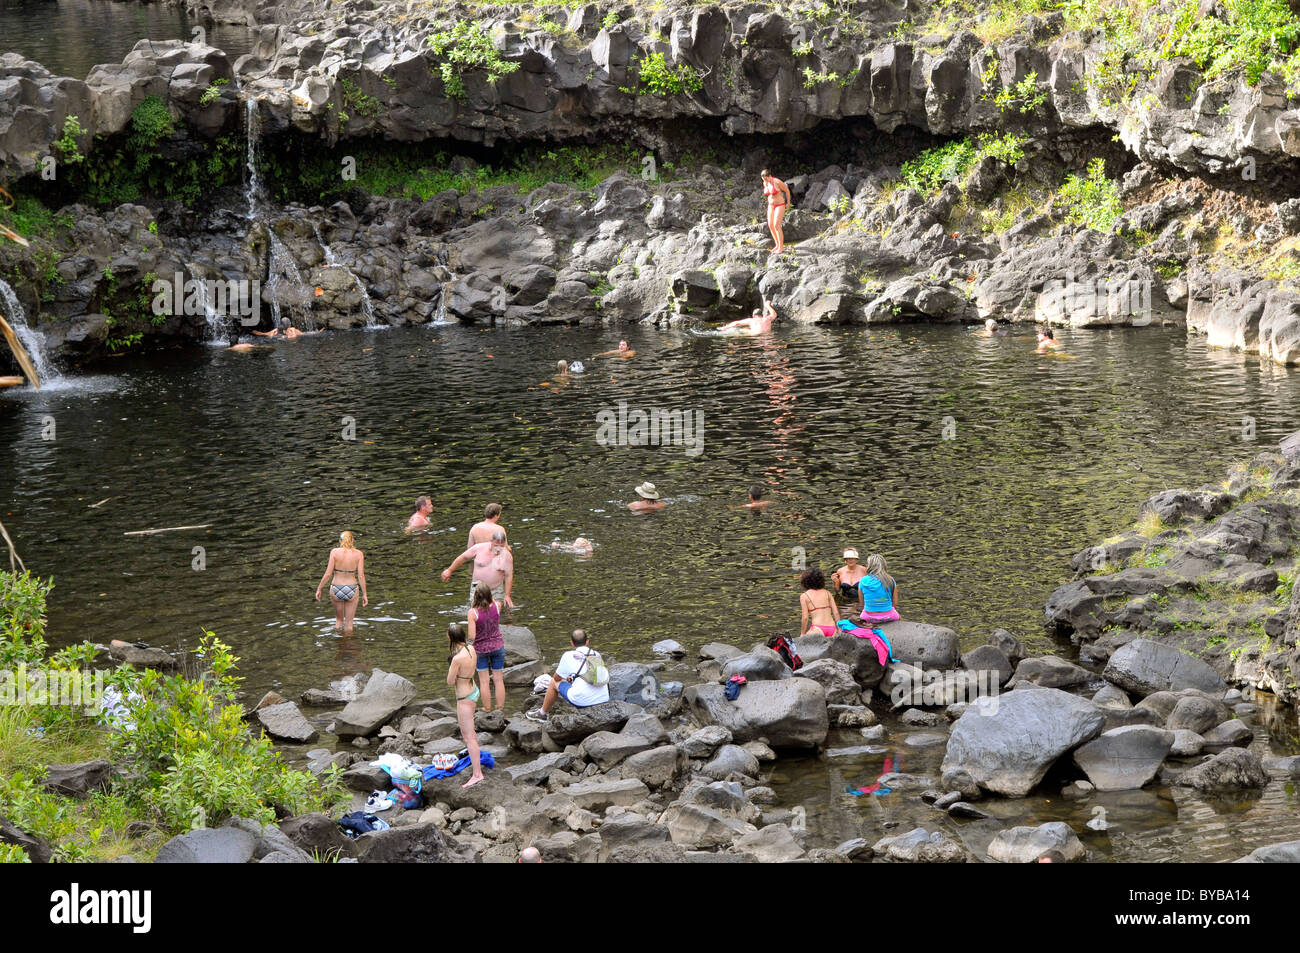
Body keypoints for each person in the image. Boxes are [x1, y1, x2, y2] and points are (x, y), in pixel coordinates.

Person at [525, 629, 609, 721]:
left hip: (582, 702)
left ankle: (542, 713)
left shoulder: (568, 655)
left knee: (553, 682)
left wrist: (566, 679)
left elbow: (557, 678)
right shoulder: (596, 654)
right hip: (604, 699)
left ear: (572, 643)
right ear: (587, 642)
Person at [445, 622, 485, 788]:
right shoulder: (471, 649)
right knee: (472, 735)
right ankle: (476, 768)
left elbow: (449, 682)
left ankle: (477, 774)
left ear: (451, 638)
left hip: (465, 698)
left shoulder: (457, 658)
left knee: (469, 737)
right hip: (473, 690)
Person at [442, 529, 515, 609]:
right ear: (491, 542)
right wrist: (450, 570)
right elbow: (463, 557)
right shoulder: (479, 548)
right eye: (496, 545)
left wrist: (507, 595)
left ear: (504, 544)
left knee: (496, 612)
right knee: (475, 611)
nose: (498, 549)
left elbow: (509, 576)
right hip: (477, 587)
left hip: (496, 589)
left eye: (501, 546)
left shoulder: (507, 556)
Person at [315, 530, 367, 631]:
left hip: (336, 588)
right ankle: (348, 645)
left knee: (339, 621)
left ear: (340, 540)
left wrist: (319, 589)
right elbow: (361, 576)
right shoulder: (359, 554)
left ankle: (339, 644)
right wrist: (364, 594)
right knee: (349, 624)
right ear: (353, 540)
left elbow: (328, 574)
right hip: (352, 588)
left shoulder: (334, 552)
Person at [467, 581, 506, 713]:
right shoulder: (497, 605)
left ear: (476, 596)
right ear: (490, 595)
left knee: (484, 682)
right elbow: (491, 600)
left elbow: (472, 636)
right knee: (498, 680)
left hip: (481, 650)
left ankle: (487, 708)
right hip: (498, 647)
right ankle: (500, 708)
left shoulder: (472, 613)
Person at [857, 553, 900, 626]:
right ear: (883, 565)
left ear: (869, 566)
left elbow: (862, 604)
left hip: (868, 617)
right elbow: (895, 603)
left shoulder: (863, 581)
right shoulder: (890, 580)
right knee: (900, 618)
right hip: (889, 616)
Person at [799, 567, 840, 637]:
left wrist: (802, 633)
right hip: (832, 628)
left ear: (805, 581)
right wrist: (839, 629)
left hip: (817, 629)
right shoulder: (827, 593)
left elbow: (805, 618)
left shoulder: (804, 596)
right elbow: (836, 613)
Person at [761, 169, 793, 254]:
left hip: (780, 205)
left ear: (770, 176)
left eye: (766, 179)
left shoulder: (777, 182)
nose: (765, 181)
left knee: (776, 225)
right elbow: (768, 193)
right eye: (763, 179)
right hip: (771, 205)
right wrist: (765, 182)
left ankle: (781, 247)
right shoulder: (765, 182)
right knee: (771, 225)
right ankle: (777, 245)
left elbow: (787, 190)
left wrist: (788, 202)